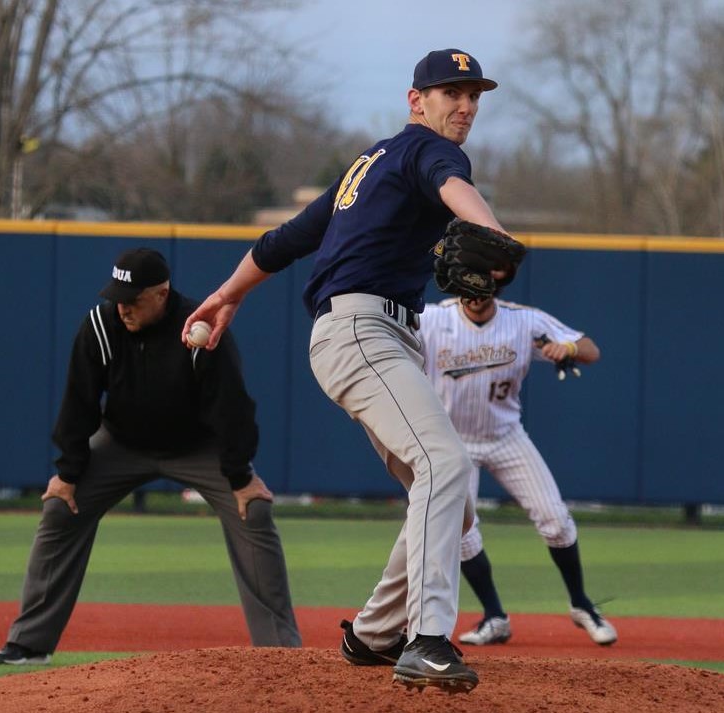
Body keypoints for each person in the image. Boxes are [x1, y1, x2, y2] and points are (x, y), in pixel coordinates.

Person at [183, 48, 507, 693]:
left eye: (474, 95)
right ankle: (428, 640)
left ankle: (373, 633)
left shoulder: (369, 164)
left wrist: (227, 294)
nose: (466, 105)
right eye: (451, 92)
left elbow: (286, 239)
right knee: (446, 464)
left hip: (376, 337)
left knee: (453, 502)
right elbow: (454, 186)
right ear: (416, 100)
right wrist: (494, 234)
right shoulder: (426, 150)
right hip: (363, 332)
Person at [0, 248, 301, 665]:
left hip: (196, 447)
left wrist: (240, 476)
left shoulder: (200, 328)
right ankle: (29, 643)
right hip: (122, 444)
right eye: (117, 298)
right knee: (60, 507)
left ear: (161, 294)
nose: (123, 308)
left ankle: (280, 652)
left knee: (254, 511)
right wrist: (68, 472)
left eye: (133, 300)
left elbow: (232, 408)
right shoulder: (101, 326)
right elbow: (79, 402)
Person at [419, 294, 618, 648]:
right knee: (461, 533)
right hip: (452, 442)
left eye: (483, 284)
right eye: (468, 283)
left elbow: (591, 350)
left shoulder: (523, 321)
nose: (475, 294)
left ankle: (581, 604)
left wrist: (568, 348)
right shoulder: (433, 318)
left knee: (555, 520)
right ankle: (495, 616)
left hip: (506, 436)